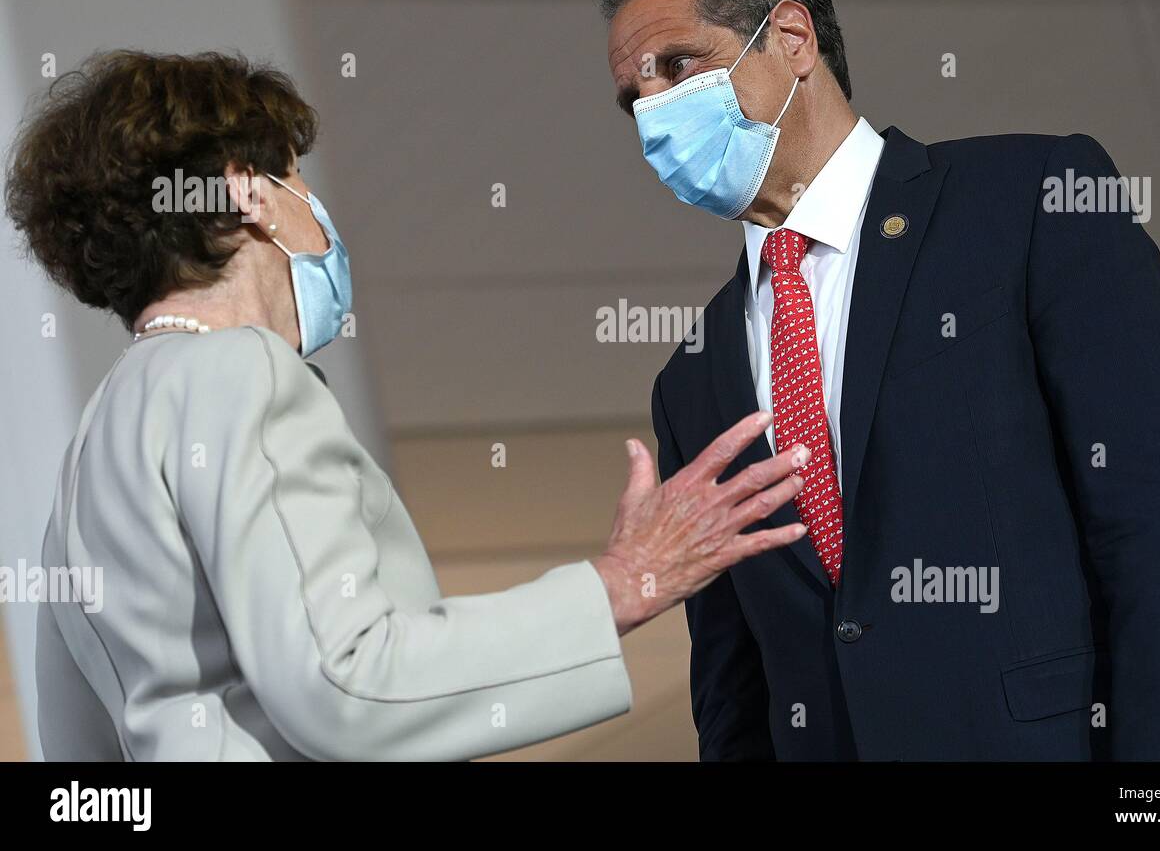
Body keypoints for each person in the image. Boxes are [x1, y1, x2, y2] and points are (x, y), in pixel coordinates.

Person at [6, 50, 810, 761]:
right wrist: (623, 583)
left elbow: (79, 753)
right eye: (295, 177)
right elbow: (344, 683)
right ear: (243, 194)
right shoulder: (239, 374)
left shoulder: (93, 445)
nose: (314, 208)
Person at [598, 0, 1160, 760]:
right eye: (633, 98)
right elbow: (737, 686)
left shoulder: (1026, 204)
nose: (652, 111)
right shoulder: (693, 379)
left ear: (793, 38)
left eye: (677, 65)